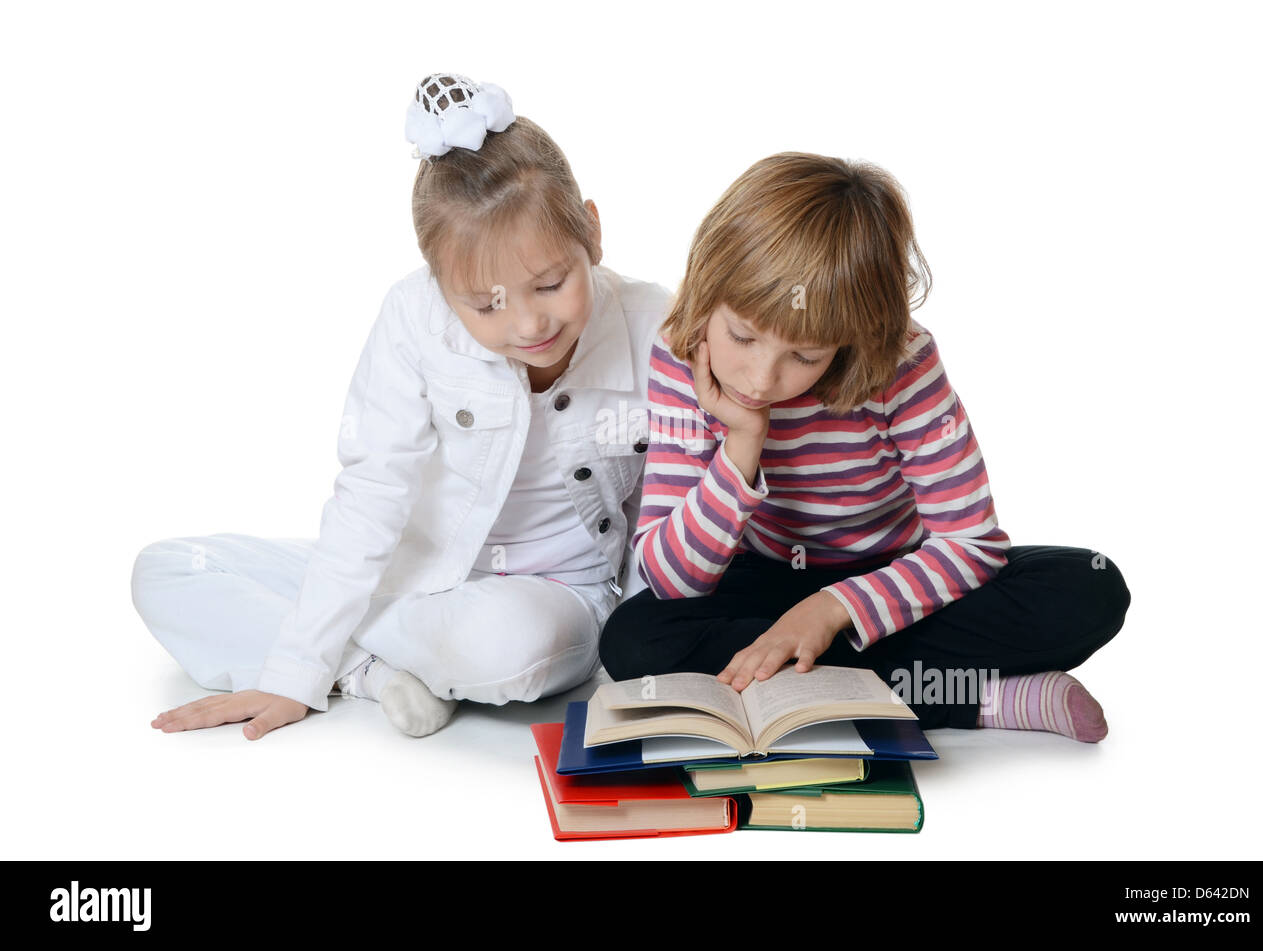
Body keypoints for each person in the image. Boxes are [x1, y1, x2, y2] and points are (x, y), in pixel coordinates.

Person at [133, 73, 669, 740]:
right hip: (415, 578)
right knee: (166, 571)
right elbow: (372, 490)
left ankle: (348, 646)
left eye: (552, 283)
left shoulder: (657, 325)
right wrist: (294, 668)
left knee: (509, 647)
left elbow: (676, 499)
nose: (530, 321)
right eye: (487, 304)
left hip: (551, 600)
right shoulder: (413, 316)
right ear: (441, 288)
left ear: (591, 229)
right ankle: (372, 674)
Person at [598, 153, 1131, 742]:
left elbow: (971, 546)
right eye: (742, 336)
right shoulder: (681, 349)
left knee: (1089, 587)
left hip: (893, 580)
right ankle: (970, 697)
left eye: (805, 356)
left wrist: (829, 613)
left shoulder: (902, 363)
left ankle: (825, 677)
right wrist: (743, 443)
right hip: (758, 583)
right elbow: (672, 579)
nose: (758, 379)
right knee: (632, 639)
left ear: (855, 340)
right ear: (709, 292)